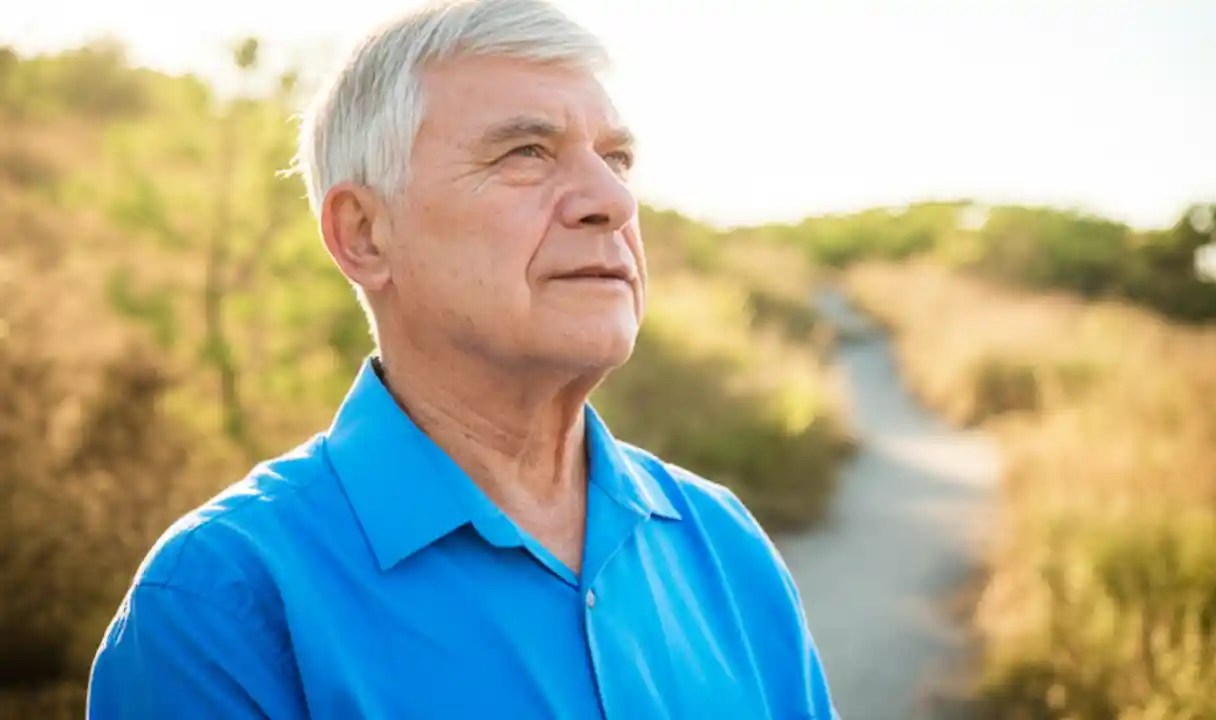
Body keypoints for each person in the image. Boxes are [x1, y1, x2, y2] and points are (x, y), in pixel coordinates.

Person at [87, 0, 836, 716]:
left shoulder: (721, 542)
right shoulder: (222, 604)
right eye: (526, 153)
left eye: (618, 158)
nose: (611, 199)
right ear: (364, 235)